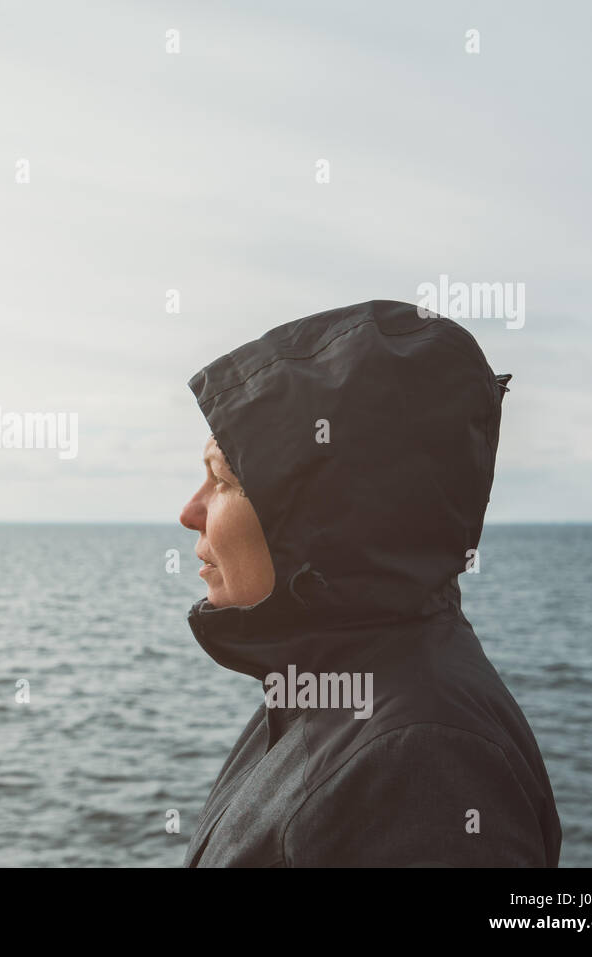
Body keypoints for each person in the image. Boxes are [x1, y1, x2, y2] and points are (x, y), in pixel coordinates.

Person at [178, 299, 561, 867]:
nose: (191, 511)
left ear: (322, 510)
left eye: (223, 479)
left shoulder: (421, 760)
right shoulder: (327, 686)